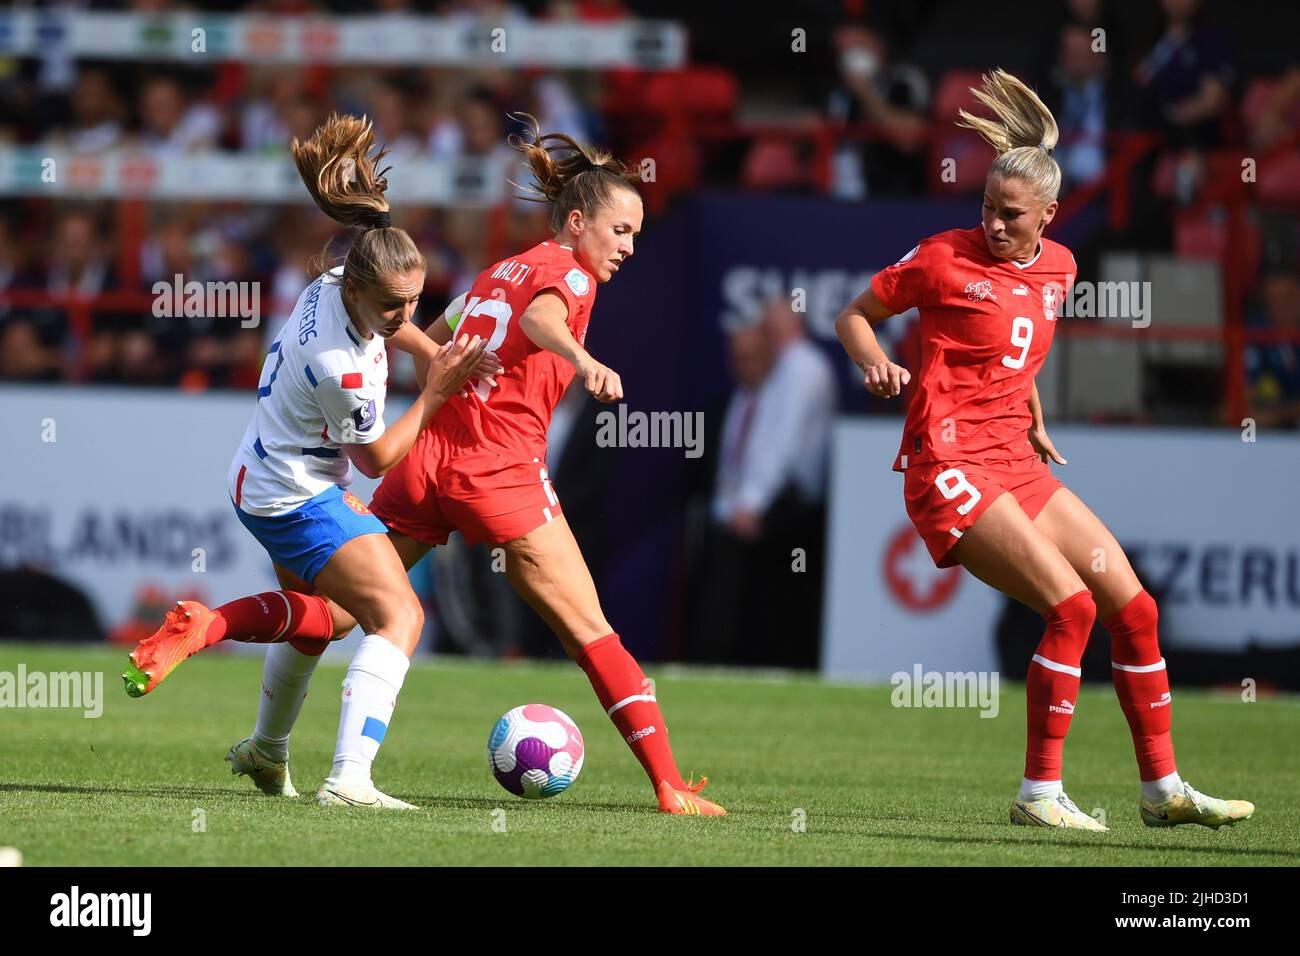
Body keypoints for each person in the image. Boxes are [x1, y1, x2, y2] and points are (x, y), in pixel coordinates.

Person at [129, 115, 725, 817]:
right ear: (573, 222)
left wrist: (436, 367)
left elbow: (438, 333)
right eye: (619, 230)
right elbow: (541, 320)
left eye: (636, 235)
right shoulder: (567, 275)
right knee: (589, 631)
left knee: (338, 614)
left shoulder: (501, 268)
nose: (627, 246)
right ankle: (667, 783)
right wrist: (583, 360)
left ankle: (238, 679)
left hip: (427, 461)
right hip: (499, 473)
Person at [834, 70, 1253, 831]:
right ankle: (1040, 794)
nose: (993, 224)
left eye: (1012, 214)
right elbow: (854, 314)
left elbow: (1015, 352)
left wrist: (1029, 413)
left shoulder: (1060, 267)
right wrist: (873, 360)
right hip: (948, 461)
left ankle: (1164, 791)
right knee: (1071, 607)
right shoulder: (941, 258)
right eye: (988, 208)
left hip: (1015, 462)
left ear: (1050, 216)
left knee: (1138, 610)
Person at [123, 114, 500, 810]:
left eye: (416, 301)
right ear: (357, 292)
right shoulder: (341, 369)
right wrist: (438, 389)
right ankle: (350, 779)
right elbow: (383, 455)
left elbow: (396, 316)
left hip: (264, 476)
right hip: (295, 492)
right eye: (393, 306)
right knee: (398, 616)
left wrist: (428, 349)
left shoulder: (336, 280)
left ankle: (262, 742)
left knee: (319, 622)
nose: (405, 314)